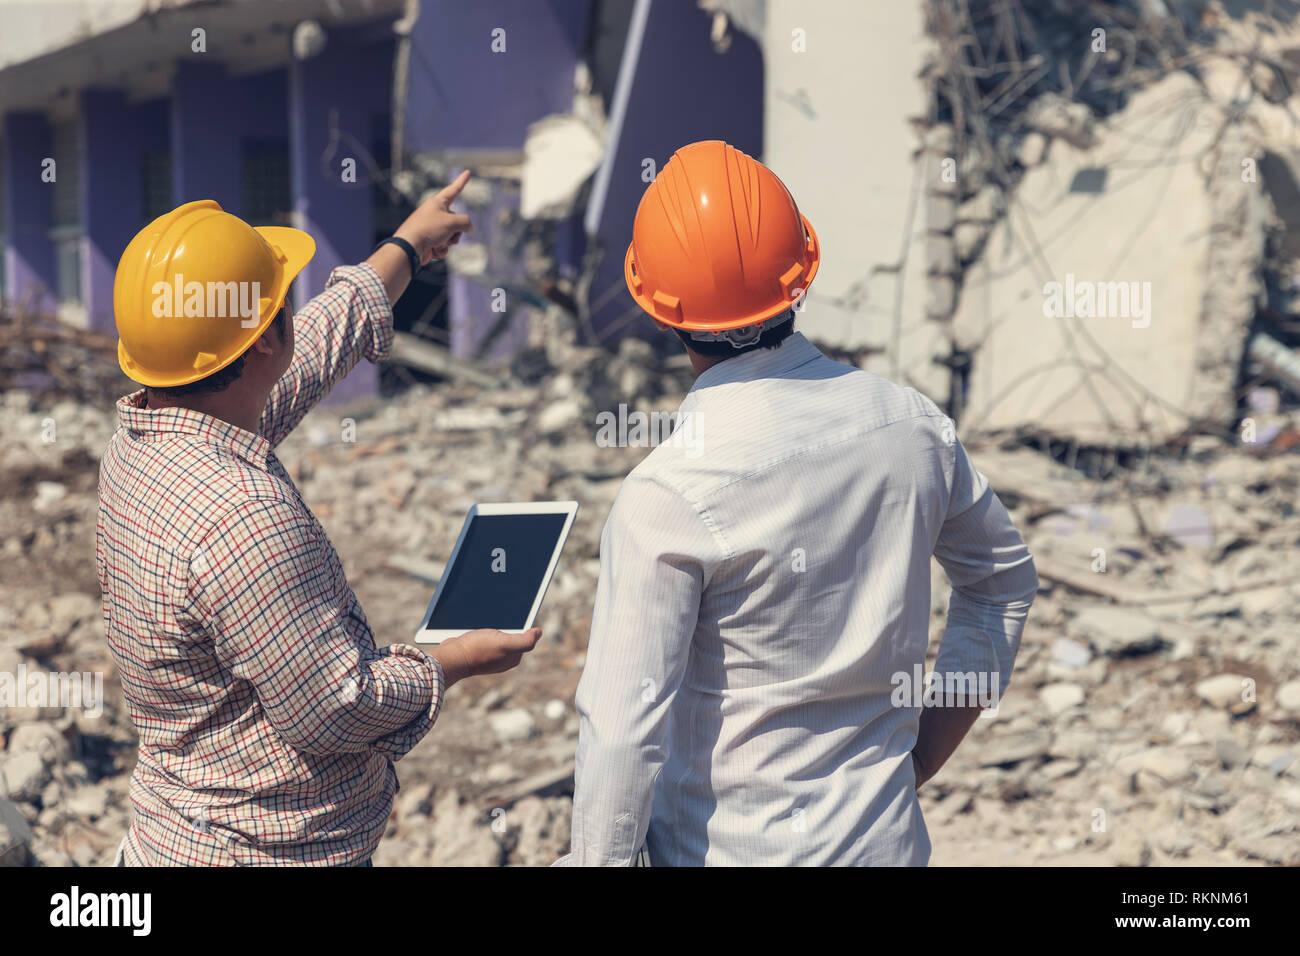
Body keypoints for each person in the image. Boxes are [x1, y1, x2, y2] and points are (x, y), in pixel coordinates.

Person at [562, 141, 1038, 866]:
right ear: (801, 275)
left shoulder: (666, 495)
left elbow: (623, 733)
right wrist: (918, 761)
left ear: (660, 310)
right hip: (884, 844)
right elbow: (1001, 583)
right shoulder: (911, 426)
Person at [101, 173, 539, 866]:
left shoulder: (149, 436)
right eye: (282, 306)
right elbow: (334, 709)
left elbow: (307, 353)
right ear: (264, 342)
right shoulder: (244, 519)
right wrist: (453, 662)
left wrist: (405, 246)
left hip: (175, 837)